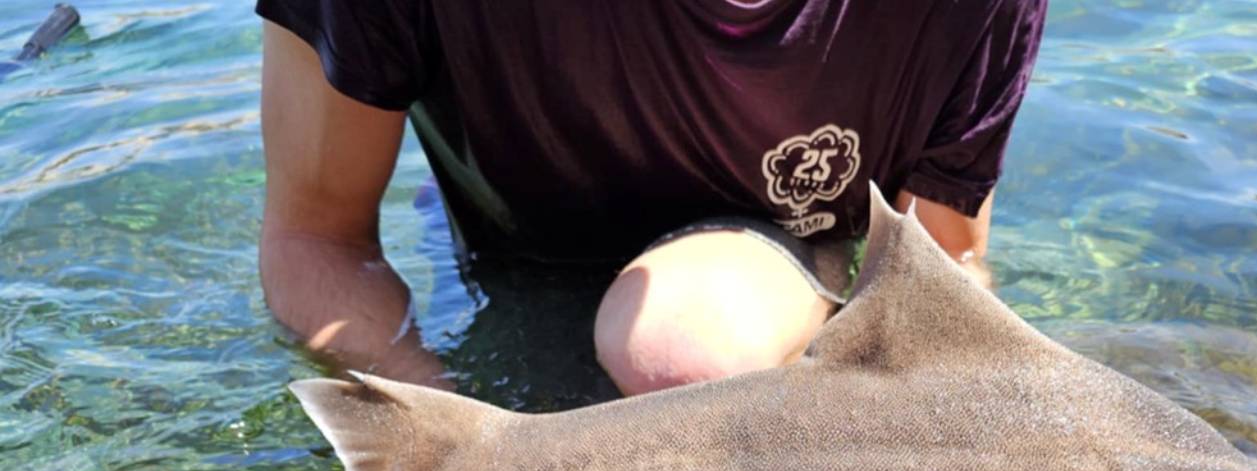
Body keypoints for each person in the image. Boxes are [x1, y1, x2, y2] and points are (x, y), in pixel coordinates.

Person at [255, 1, 1046, 395]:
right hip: (514, 258)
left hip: (761, 290)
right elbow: (317, 239)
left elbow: (940, 271)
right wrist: (443, 434)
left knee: (680, 343)